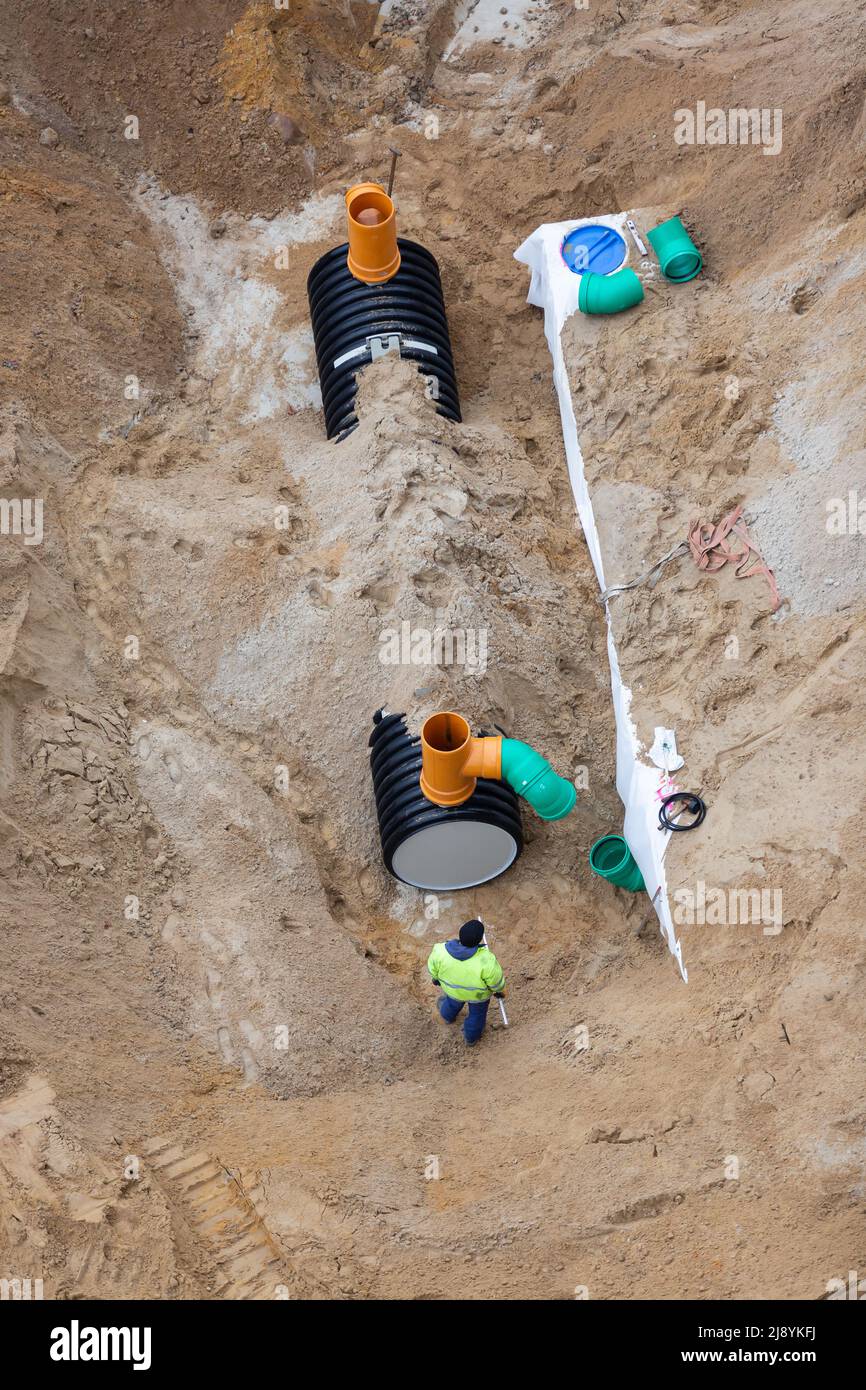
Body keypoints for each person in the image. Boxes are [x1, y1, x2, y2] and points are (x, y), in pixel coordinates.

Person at [426, 920, 506, 1046]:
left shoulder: (440, 951)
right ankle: (471, 1038)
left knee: (451, 1004)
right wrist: (499, 990)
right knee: (477, 1015)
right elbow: (496, 981)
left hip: (452, 991)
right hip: (478, 997)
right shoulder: (486, 960)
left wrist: (435, 978)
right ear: (479, 940)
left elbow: (432, 967)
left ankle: (446, 1016)